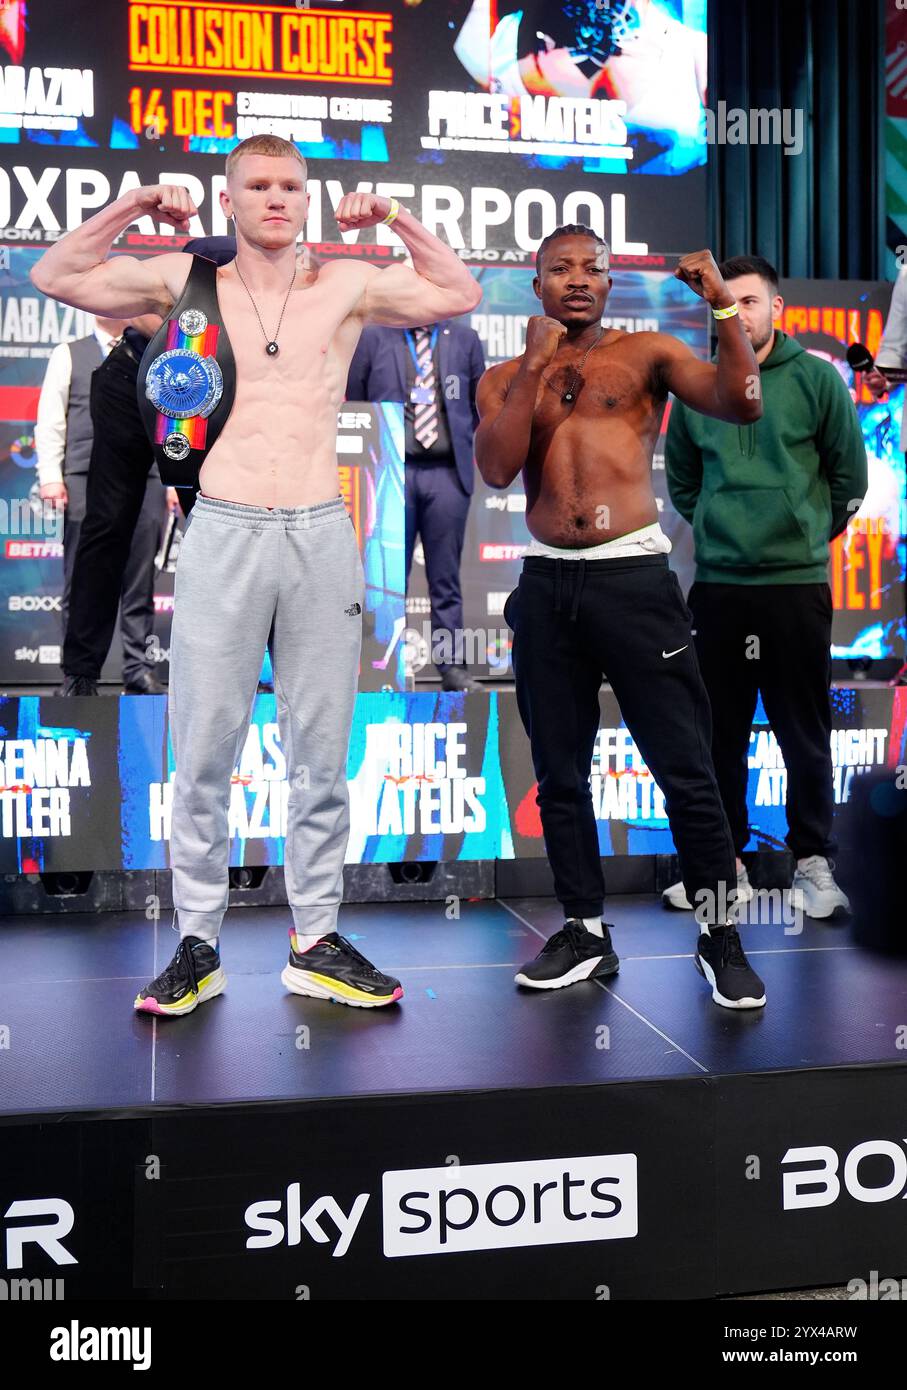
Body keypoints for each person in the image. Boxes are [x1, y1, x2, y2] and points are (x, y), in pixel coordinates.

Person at [30, 133, 482, 1015]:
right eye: (258, 186)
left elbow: (460, 292)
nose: (276, 199)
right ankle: (197, 942)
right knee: (202, 752)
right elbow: (55, 272)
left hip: (318, 532)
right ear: (228, 197)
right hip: (225, 527)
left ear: (307, 196)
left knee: (320, 753)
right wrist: (133, 207)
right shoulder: (183, 280)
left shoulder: (347, 283)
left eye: (290, 186)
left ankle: (314, 939)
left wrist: (392, 214)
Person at [476, 223, 767, 1010]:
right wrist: (536, 367)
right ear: (534, 285)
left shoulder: (647, 354)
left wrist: (723, 314)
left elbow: (742, 404)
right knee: (559, 776)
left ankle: (720, 936)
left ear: (609, 284)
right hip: (547, 589)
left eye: (592, 269)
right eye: (559, 269)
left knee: (686, 771)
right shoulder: (507, 373)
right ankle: (584, 931)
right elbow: (498, 466)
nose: (577, 279)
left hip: (633, 582)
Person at [664, 255, 867, 920]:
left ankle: (813, 864)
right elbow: (685, 483)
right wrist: (724, 531)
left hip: (793, 586)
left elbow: (848, 481)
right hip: (719, 587)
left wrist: (799, 534)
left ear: (775, 308)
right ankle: (723, 866)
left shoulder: (816, 380)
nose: (740, 312)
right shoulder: (695, 384)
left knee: (801, 731)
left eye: (750, 301)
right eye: (730, 301)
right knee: (714, 734)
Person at [55, 238, 237, 696]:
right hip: (133, 380)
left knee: (226, 525)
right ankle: (81, 673)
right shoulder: (204, 255)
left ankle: (245, 672)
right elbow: (133, 311)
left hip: (207, 396)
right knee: (107, 525)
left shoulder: (282, 281)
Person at [345, 310, 486, 690]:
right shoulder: (374, 336)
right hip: (391, 474)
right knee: (386, 579)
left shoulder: (464, 339)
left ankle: (452, 667)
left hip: (447, 473)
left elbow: (477, 405)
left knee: (446, 579)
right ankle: (380, 667)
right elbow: (356, 403)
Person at [34, 315, 170, 693]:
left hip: (147, 472)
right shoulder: (69, 354)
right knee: (83, 573)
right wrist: (50, 476)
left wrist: (175, 476)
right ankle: (78, 672)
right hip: (84, 473)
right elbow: (50, 420)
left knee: (141, 576)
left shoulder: (156, 352)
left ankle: (138, 667)